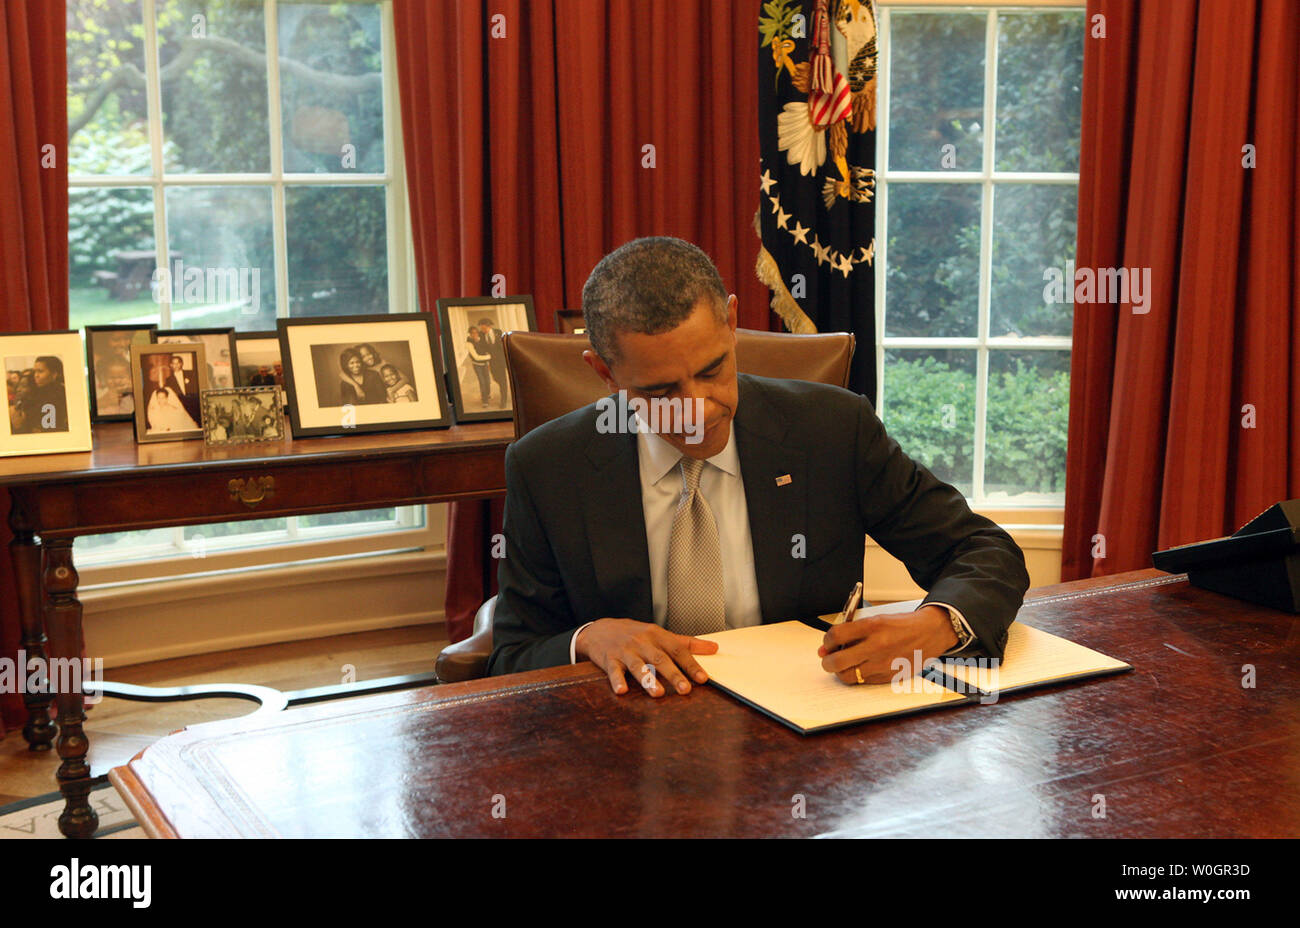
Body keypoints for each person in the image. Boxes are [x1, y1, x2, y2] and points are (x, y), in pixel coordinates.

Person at [487, 237, 1030, 698]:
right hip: (632, 739)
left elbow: (981, 550)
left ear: (732, 322)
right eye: (660, 391)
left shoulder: (831, 430)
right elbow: (512, 653)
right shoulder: (547, 467)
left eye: (711, 370)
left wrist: (935, 627)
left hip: (808, 727)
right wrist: (587, 637)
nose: (697, 410)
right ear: (603, 372)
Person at [11, 356, 69, 434]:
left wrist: (21, 424)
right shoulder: (37, 392)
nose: (36, 375)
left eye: (40, 371)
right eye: (35, 372)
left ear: (54, 374)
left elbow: (48, 428)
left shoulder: (58, 395)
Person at [477, 318, 510, 407]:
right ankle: (502, 387)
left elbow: (504, 344)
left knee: (503, 381)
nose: (483, 330)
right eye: (481, 329)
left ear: (489, 326)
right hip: (492, 361)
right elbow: (481, 348)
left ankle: (503, 401)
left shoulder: (498, 332)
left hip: (501, 360)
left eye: (484, 328)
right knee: (496, 378)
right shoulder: (481, 335)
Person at [165, 355, 201, 425]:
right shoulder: (168, 380)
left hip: (193, 403)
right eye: (174, 363)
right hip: (180, 405)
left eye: (178, 363)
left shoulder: (191, 374)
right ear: (171, 365)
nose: (176, 365)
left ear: (181, 364)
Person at [464, 326, 493, 405]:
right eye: (472, 333)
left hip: (485, 364)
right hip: (477, 365)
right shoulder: (469, 343)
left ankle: (487, 394)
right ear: (469, 334)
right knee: (482, 382)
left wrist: (488, 360)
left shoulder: (481, 339)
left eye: (476, 332)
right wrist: (490, 356)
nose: (475, 334)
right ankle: (485, 401)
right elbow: (476, 357)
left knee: (487, 381)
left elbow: (487, 349)